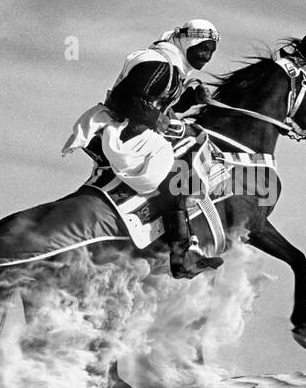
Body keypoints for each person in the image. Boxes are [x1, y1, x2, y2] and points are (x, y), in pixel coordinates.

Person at [62, 19, 225, 278]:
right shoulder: (159, 62)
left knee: (190, 143)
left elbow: (156, 102)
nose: (206, 57)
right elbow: (125, 98)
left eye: (211, 52)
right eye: (203, 49)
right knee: (178, 172)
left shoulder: (173, 66)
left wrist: (191, 99)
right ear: (188, 42)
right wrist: (157, 120)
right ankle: (182, 254)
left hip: (132, 128)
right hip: (123, 132)